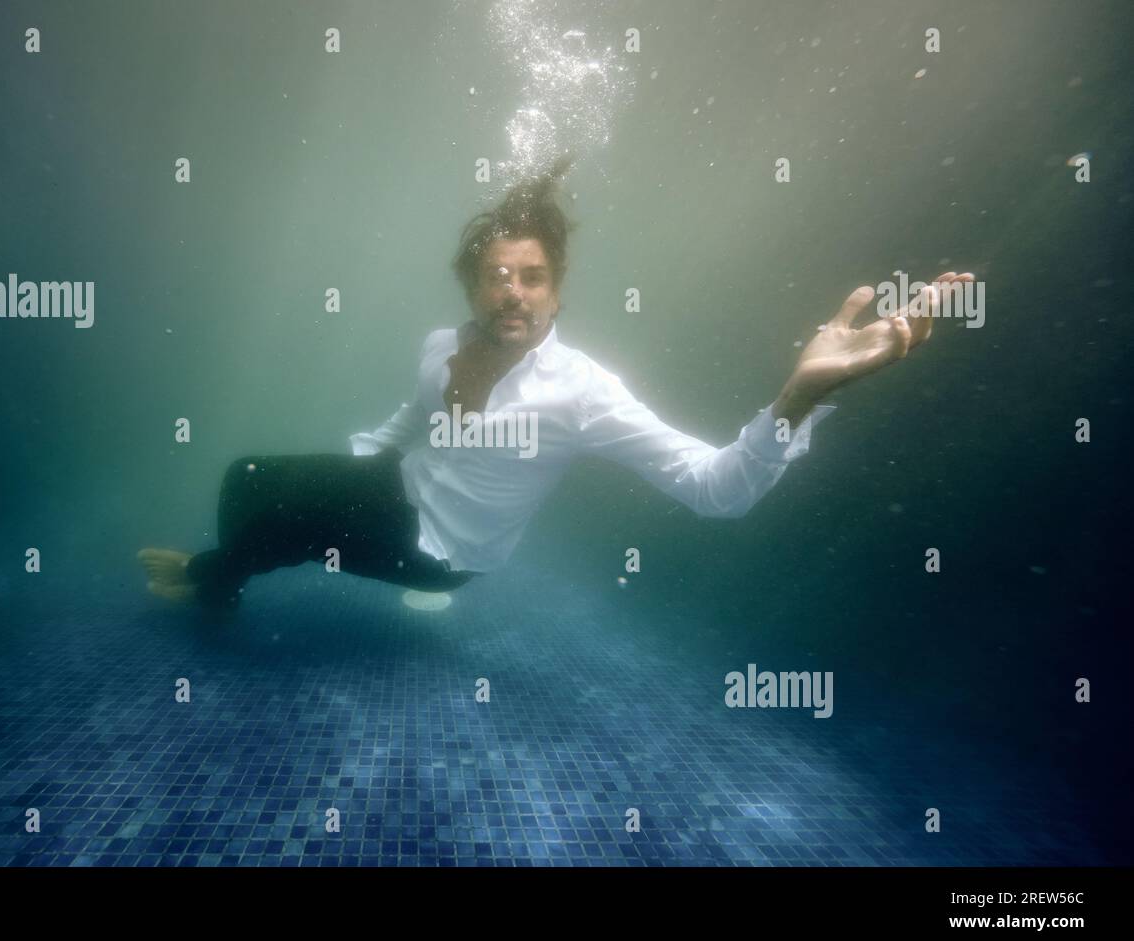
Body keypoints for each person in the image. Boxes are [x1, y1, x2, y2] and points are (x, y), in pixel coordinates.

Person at [139, 156, 971, 608]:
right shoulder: (440, 345)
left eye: (532, 277)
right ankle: (237, 563)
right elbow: (405, 420)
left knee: (270, 519)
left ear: (558, 286)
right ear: (471, 288)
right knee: (250, 476)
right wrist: (349, 470)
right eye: (497, 277)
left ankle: (216, 583)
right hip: (392, 490)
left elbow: (717, 490)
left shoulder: (581, 390)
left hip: (441, 556)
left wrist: (800, 396)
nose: (514, 293)